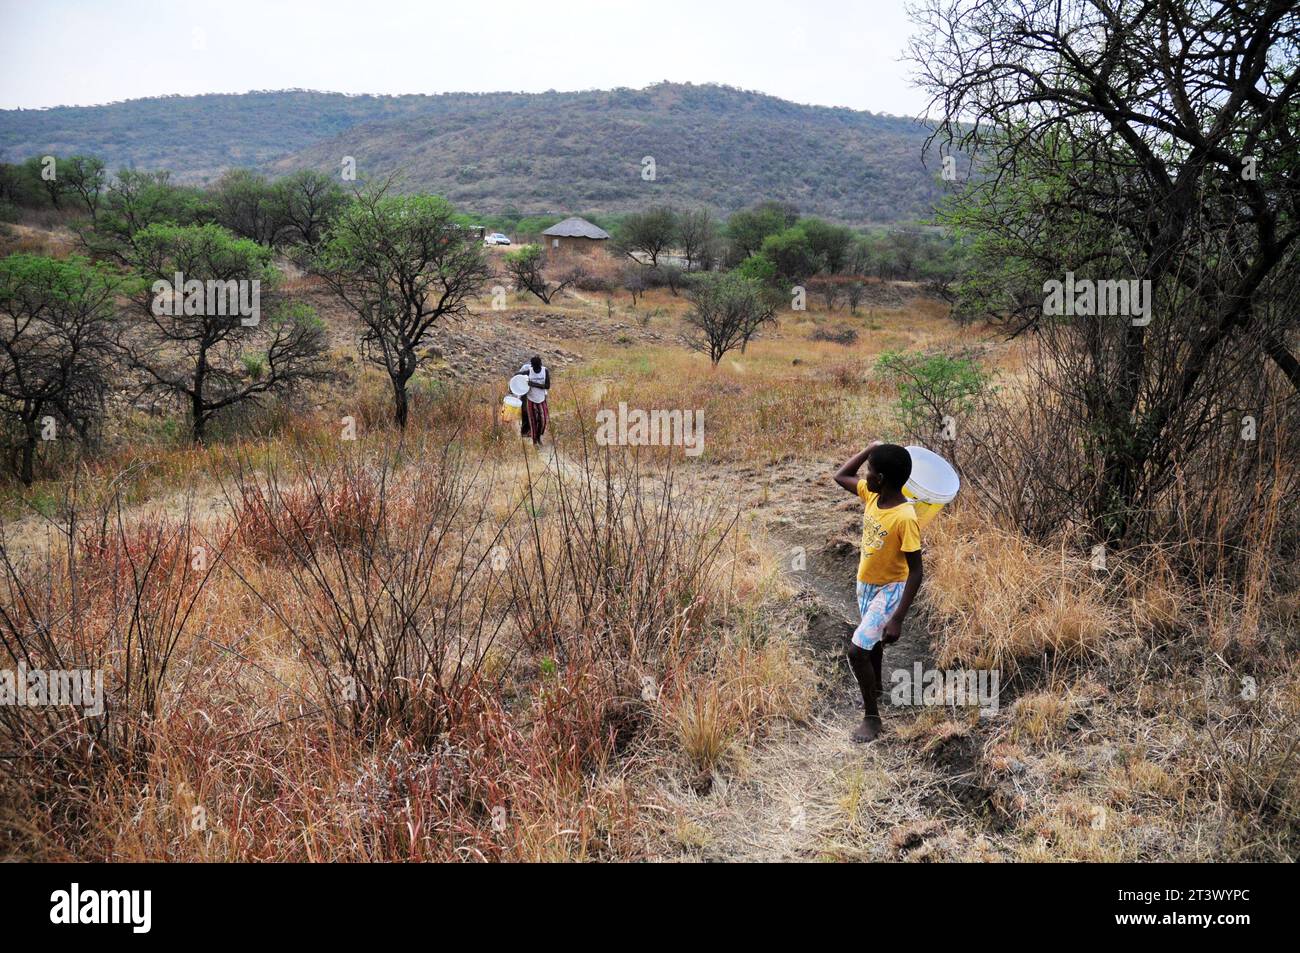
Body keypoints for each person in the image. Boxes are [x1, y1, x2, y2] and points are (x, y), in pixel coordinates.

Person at [833, 441, 923, 743]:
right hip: (866, 584)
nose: (865, 474)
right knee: (872, 644)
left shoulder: (905, 517)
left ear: (881, 478)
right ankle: (878, 690)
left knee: (857, 651)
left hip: (890, 589)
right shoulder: (873, 496)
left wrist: (898, 617)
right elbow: (840, 476)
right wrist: (868, 449)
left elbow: (917, 570)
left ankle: (872, 718)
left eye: (869, 470)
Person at [516, 354, 550, 446]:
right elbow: (517, 375)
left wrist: (533, 384)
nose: (535, 369)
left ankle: (538, 436)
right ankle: (535, 441)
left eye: (537, 367)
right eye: (534, 367)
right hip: (531, 399)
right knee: (533, 420)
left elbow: (547, 386)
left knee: (543, 420)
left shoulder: (544, 371)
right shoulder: (529, 371)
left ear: (540, 365)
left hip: (541, 398)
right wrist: (516, 381)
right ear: (532, 366)